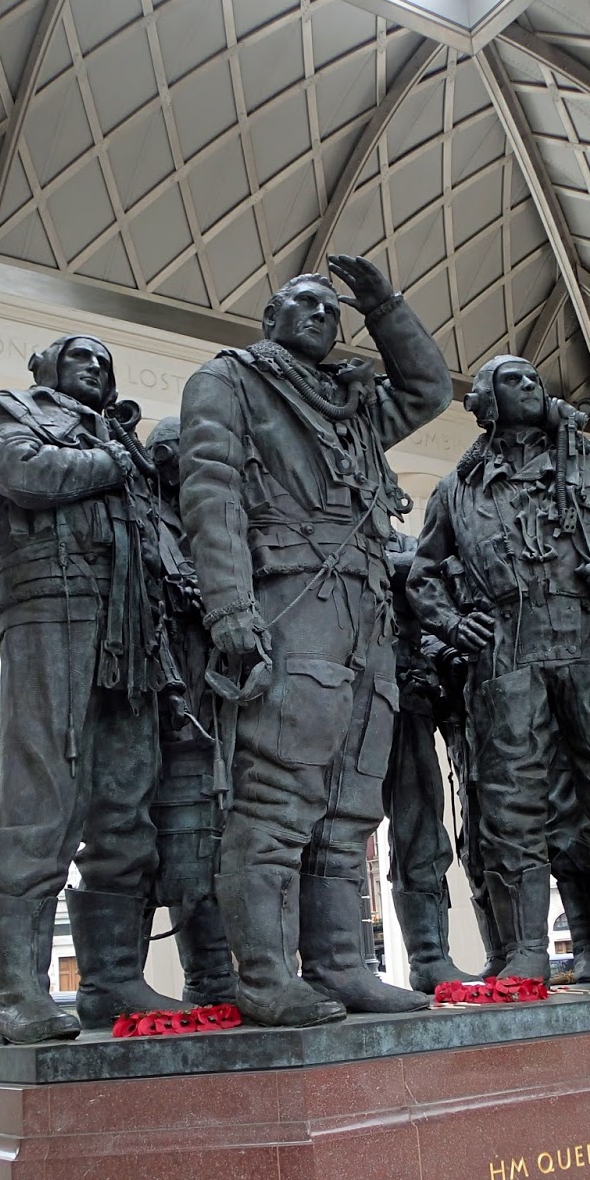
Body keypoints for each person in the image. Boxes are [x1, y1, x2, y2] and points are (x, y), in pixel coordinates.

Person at [179, 255, 453, 1026]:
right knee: (278, 792)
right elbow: (211, 493)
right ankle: (265, 977)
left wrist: (386, 305)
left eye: (332, 310)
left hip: (366, 609)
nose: (322, 314)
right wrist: (231, 608)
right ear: (268, 322)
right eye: (302, 305)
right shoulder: (230, 380)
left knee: (351, 801)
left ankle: (338, 966)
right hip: (290, 597)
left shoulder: (351, 403)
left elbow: (430, 390)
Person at [407, 355, 590, 990]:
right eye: (513, 379)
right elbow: (423, 574)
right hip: (508, 650)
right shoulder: (460, 487)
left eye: (533, 377)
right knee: (513, 803)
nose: (530, 384)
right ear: (485, 401)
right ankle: (526, 952)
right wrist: (455, 625)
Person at [0, 335, 180, 1043]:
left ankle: (112, 981)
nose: (96, 368)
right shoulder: (3, 412)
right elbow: (24, 474)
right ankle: (19, 993)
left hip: (131, 629)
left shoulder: (120, 439)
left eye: (105, 362)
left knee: (125, 805)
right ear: (44, 368)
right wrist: (116, 460)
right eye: (81, 356)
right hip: (50, 612)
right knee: (41, 796)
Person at [144, 416, 236, 1005]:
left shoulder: (213, 526)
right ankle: (206, 977)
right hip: (164, 700)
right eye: (181, 454)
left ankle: (219, 975)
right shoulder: (142, 519)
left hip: (215, 693)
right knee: (181, 839)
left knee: (221, 836)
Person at [384, 534, 479, 993]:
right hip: (331, 693)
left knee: (420, 824)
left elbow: (431, 619)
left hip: (406, 691)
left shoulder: (406, 540)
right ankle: (329, 965)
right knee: (327, 833)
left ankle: (428, 956)